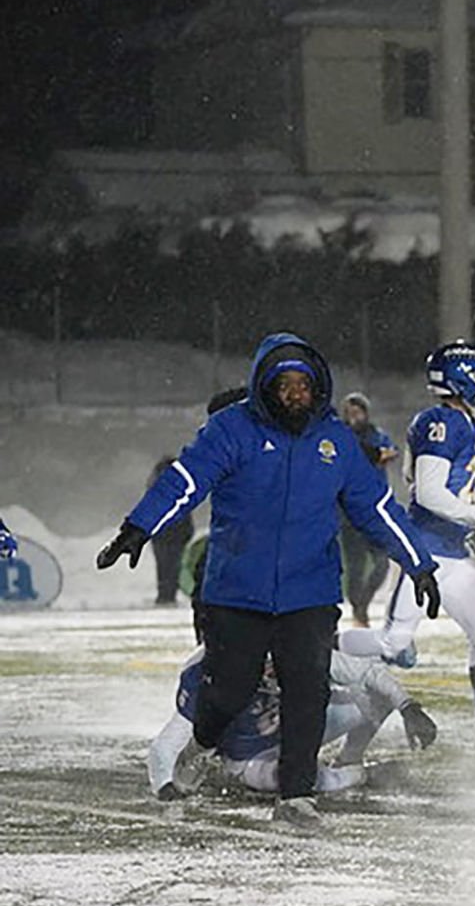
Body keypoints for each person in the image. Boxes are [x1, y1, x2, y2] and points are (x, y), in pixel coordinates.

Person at [97, 332, 438, 832]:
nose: (296, 393)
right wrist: (139, 528)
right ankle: (203, 742)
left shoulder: (336, 440)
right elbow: (185, 481)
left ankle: (296, 797)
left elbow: (376, 508)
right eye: (285, 384)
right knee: (230, 690)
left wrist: (419, 563)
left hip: (310, 592)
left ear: (318, 387)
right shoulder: (230, 430)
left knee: (308, 691)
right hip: (238, 590)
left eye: (305, 384)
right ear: (265, 387)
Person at [338, 342, 475, 748]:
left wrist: (464, 521)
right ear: (463, 380)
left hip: (451, 550)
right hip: (429, 554)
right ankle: (314, 644)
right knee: (393, 645)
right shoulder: (444, 423)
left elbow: (417, 482)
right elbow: (431, 495)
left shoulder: (459, 422)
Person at [148, 648, 435, 799]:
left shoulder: (295, 644)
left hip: (299, 724)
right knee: (290, 779)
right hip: (249, 754)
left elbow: (369, 672)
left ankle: (350, 757)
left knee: (375, 695)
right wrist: (165, 786)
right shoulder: (204, 676)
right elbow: (166, 745)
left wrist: (408, 706)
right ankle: (358, 775)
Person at [339, 392, 398, 626]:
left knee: (382, 562)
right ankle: (358, 611)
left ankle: (363, 603)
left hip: (374, 511)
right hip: (348, 514)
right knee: (355, 567)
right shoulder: (340, 437)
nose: (353, 417)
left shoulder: (376, 435)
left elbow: (390, 453)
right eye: (349, 413)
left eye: (357, 412)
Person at [148, 454, 194, 605]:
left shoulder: (156, 488)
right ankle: (168, 595)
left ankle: (164, 595)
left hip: (162, 534)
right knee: (173, 565)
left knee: (164, 565)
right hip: (175, 533)